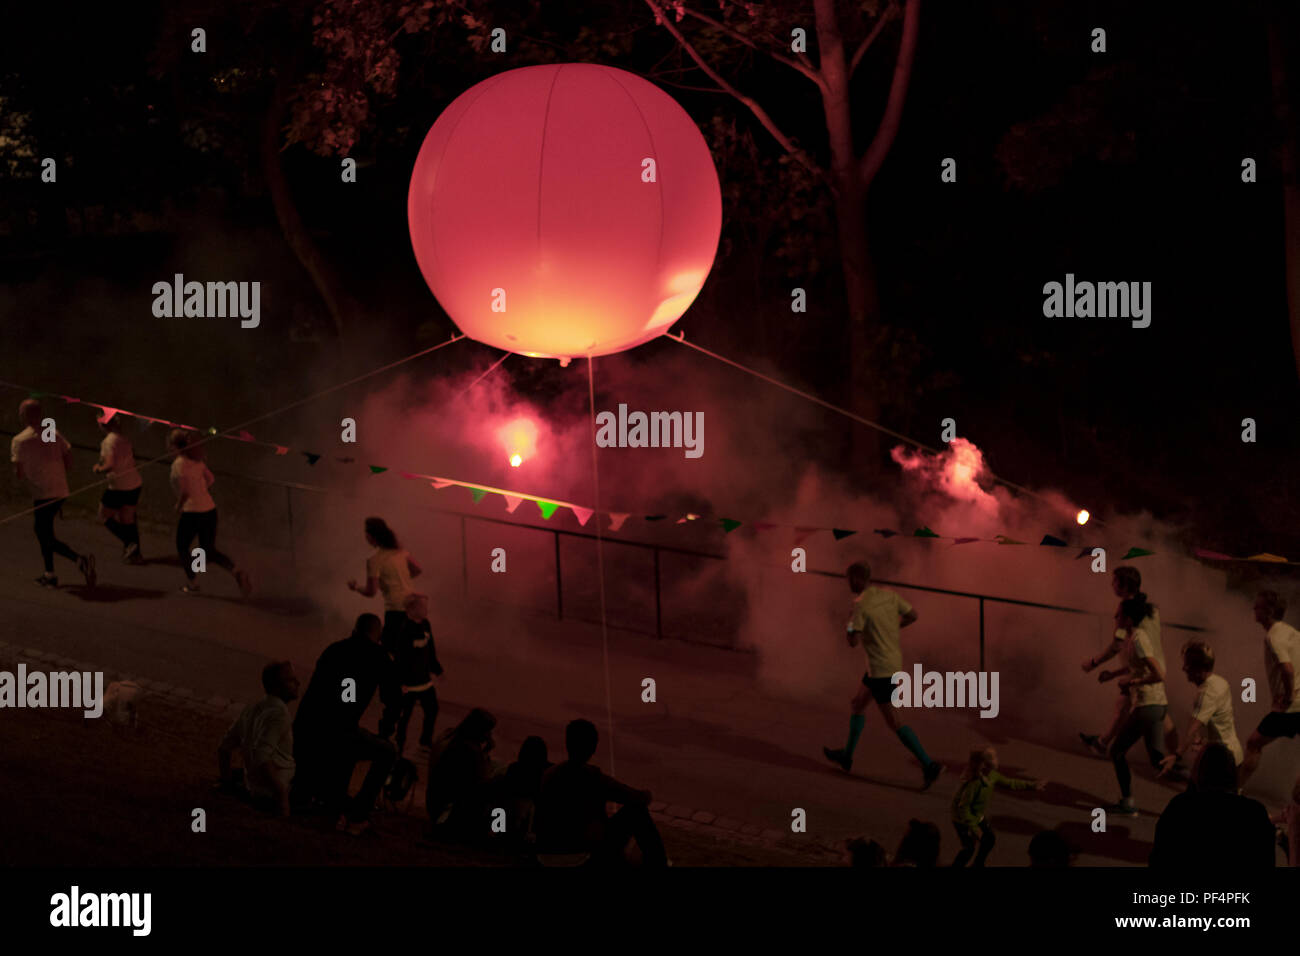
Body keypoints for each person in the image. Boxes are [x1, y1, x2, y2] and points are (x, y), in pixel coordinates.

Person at [823, 562, 942, 789]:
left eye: (848, 579)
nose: (847, 583)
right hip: (887, 664)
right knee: (857, 704)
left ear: (857, 579)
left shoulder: (860, 606)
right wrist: (892, 627)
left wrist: (849, 624)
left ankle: (929, 765)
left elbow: (852, 641)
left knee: (895, 722)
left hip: (881, 670)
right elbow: (913, 615)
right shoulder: (889, 595)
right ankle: (846, 756)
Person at [292, 613, 400, 835]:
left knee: (350, 742)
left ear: (355, 629)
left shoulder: (334, 649)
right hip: (340, 730)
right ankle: (359, 815)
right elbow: (394, 700)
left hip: (308, 726)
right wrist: (385, 731)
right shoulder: (378, 657)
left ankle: (329, 797)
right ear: (377, 635)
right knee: (386, 751)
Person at [535, 718, 668, 867]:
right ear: (593, 748)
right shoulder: (592, 776)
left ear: (567, 744)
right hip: (581, 856)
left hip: (545, 855)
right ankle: (659, 864)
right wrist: (646, 795)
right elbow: (636, 797)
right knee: (637, 811)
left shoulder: (549, 775)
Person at [1080, 566, 1178, 760]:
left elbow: (1117, 644)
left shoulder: (1125, 610)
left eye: (1115, 581)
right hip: (1150, 665)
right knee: (1126, 705)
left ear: (1124, 586)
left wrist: (1093, 662)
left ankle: (1175, 759)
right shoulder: (1152, 609)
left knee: (1160, 716)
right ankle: (1102, 742)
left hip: (1142, 670)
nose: (1112, 585)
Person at [10, 398, 95, 588]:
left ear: (24, 416)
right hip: (60, 490)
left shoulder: (19, 440)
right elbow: (69, 461)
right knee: (44, 532)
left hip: (43, 493)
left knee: (44, 534)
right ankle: (50, 574)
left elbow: (19, 473)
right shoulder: (51, 432)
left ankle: (79, 560)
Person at [1150, 743, 1276, 868]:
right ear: (1233, 773)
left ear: (1197, 773)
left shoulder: (1180, 806)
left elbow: (1158, 860)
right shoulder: (1255, 812)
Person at [1100, 594, 1169, 816]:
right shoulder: (1132, 638)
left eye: (1118, 614)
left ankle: (1128, 803)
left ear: (1128, 620)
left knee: (1117, 751)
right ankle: (1195, 784)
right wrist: (1113, 674)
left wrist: (1133, 681)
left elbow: (1158, 674)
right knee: (1159, 761)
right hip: (1154, 706)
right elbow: (1135, 666)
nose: (1114, 617)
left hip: (1147, 706)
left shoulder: (1139, 639)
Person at [168, 429, 251, 596]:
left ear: (175, 447)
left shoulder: (179, 464)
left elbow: (185, 491)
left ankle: (193, 584)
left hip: (192, 512)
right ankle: (235, 571)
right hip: (209, 510)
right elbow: (211, 479)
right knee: (208, 549)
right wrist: (201, 490)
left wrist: (178, 506)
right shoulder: (197, 461)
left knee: (182, 546)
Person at [217, 661, 299, 817]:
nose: (297, 683)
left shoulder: (252, 708)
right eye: (290, 680)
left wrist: (226, 783)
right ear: (277, 686)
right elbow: (261, 757)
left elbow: (224, 748)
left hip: (253, 787)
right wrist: (282, 798)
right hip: (274, 791)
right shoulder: (279, 714)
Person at [1240, 591, 1300, 786]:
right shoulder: (1292, 632)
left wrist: (1290, 696)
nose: (1253, 609)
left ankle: (1234, 791)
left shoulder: (1273, 638)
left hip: (1290, 709)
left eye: (1257, 607)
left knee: (1253, 743)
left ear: (1269, 611)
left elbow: (1288, 669)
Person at [1159, 641, 1243, 778]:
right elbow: (1213, 718)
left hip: (1221, 760)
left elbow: (1192, 729)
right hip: (1231, 754)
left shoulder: (1206, 694)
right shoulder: (1220, 681)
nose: (1183, 668)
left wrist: (1176, 755)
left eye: (1188, 664)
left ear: (1200, 668)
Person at [950, 746, 1046, 867]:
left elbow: (1010, 783)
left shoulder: (993, 775)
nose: (997, 760)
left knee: (989, 839)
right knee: (969, 848)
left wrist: (1031, 785)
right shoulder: (974, 784)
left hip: (976, 815)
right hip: (962, 819)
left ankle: (978, 863)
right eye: (993, 758)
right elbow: (963, 808)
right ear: (984, 764)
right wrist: (975, 829)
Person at [348, 517, 423, 649]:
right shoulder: (401, 552)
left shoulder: (374, 559)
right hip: (414, 605)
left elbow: (371, 592)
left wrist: (355, 587)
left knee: (391, 648)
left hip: (396, 608)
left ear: (371, 536)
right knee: (411, 647)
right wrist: (402, 578)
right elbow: (417, 569)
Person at [425, 708, 499, 837]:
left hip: (435, 803)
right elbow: (480, 779)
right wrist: (486, 752)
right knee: (499, 790)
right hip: (450, 810)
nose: (489, 734)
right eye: (488, 730)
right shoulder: (469, 749)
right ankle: (498, 831)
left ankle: (497, 831)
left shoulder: (450, 736)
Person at [391, 593, 443, 755]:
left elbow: (430, 650)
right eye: (421, 606)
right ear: (411, 609)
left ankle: (425, 742)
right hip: (409, 684)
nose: (425, 609)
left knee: (432, 709)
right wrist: (401, 682)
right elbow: (400, 658)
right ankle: (399, 744)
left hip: (425, 681)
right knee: (405, 715)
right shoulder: (405, 630)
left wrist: (437, 669)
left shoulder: (426, 624)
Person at [92, 414, 143, 564]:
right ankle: (135, 554)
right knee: (127, 519)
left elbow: (109, 464)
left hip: (119, 487)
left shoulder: (108, 442)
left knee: (103, 516)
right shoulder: (123, 439)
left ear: (103, 425)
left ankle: (130, 543)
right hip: (134, 484)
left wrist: (98, 468)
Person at [502, 736, 554, 844]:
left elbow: (506, 792)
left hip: (516, 812)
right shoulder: (548, 770)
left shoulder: (515, 768)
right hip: (535, 816)